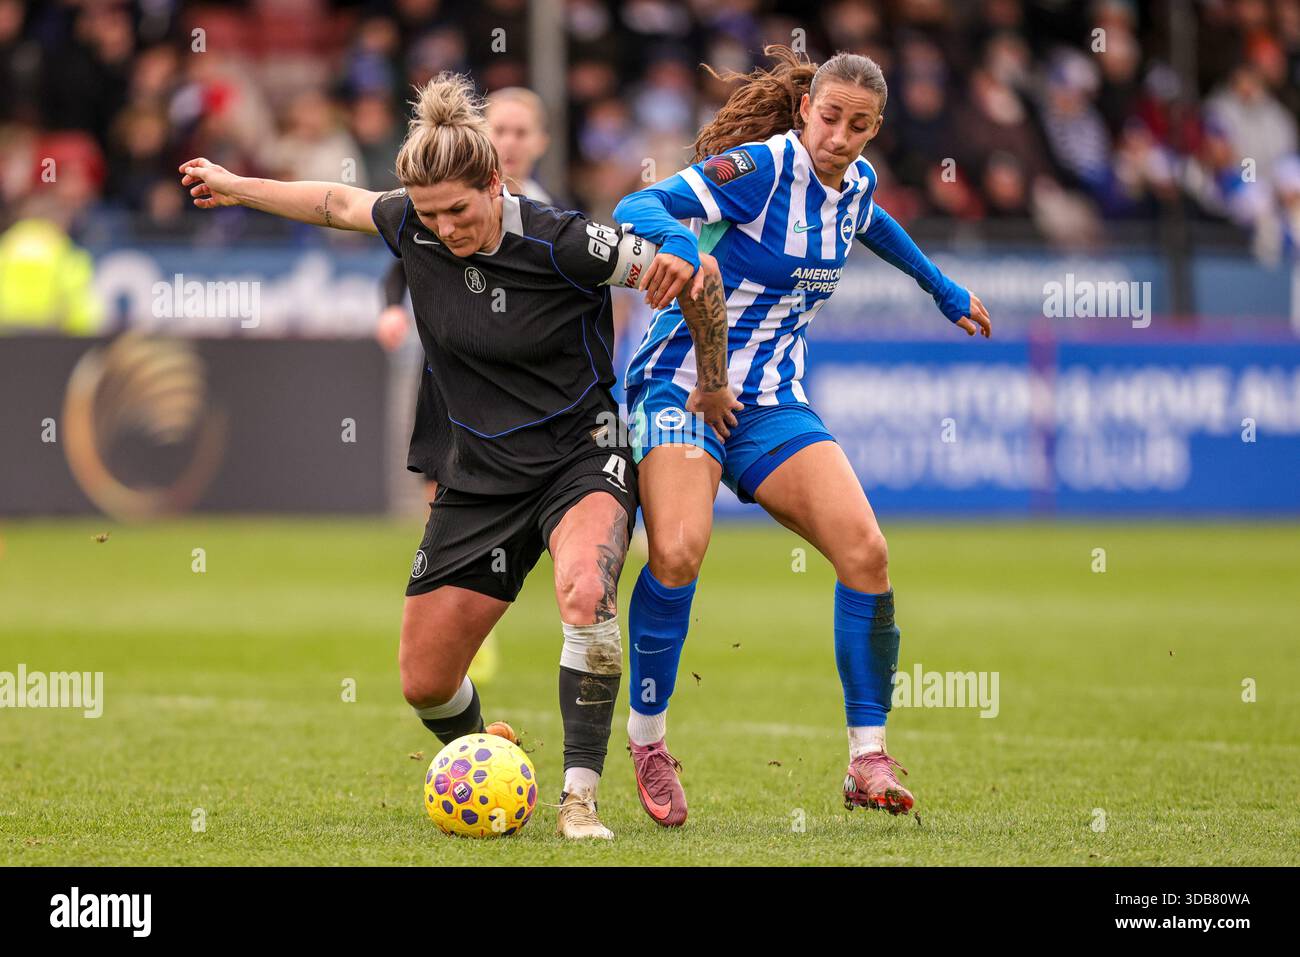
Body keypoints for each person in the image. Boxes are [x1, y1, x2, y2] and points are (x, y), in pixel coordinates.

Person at [177, 72, 729, 839]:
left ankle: (580, 797)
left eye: (459, 211)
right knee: (426, 682)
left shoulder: (565, 241)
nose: (443, 229)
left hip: (581, 457)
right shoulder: (413, 225)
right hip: (481, 476)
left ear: (495, 182)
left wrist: (709, 382)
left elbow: (700, 279)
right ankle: (490, 752)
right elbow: (336, 203)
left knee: (584, 593)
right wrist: (237, 185)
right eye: (429, 216)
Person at [611, 46, 992, 826]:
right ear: (804, 111)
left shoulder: (857, 184)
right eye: (829, 118)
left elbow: (872, 221)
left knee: (868, 552)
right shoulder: (757, 169)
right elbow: (635, 207)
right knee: (678, 551)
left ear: (875, 128)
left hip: (771, 401)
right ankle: (648, 741)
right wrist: (681, 243)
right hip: (683, 385)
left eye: (860, 126)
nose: (841, 137)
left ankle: (867, 758)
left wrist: (940, 287)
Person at [374, 87, 557, 685]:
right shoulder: (441, 201)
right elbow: (401, 254)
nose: (509, 140)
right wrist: (391, 308)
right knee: (444, 493)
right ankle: (469, 632)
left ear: (540, 143)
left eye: (520, 131)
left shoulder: (551, 217)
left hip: (533, 406)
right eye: (499, 129)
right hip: (453, 382)